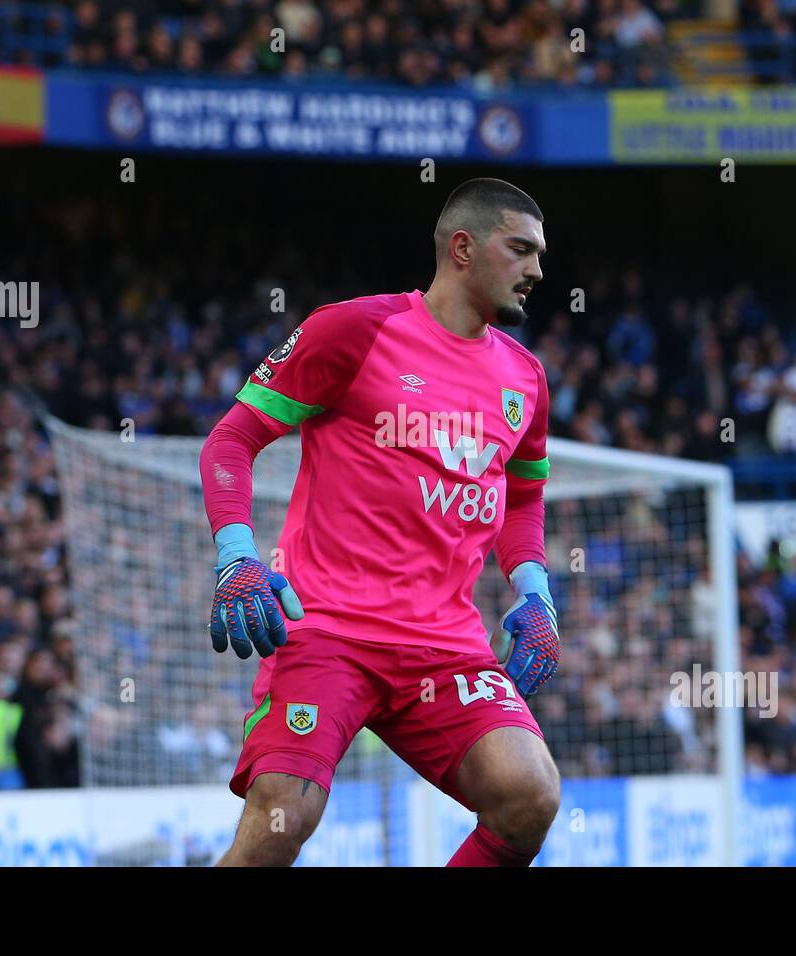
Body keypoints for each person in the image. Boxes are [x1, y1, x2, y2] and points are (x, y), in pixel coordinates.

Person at [201, 178, 561, 866]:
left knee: (530, 796)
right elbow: (231, 440)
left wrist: (536, 591)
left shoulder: (526, 378)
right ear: (463, 248)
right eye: (521, 250)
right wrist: (236, 556)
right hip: (327, 629)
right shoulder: (355, 329)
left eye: (539, 254)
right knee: (283, 816)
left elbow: (522, 499)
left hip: (446, 646)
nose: (538, 270)